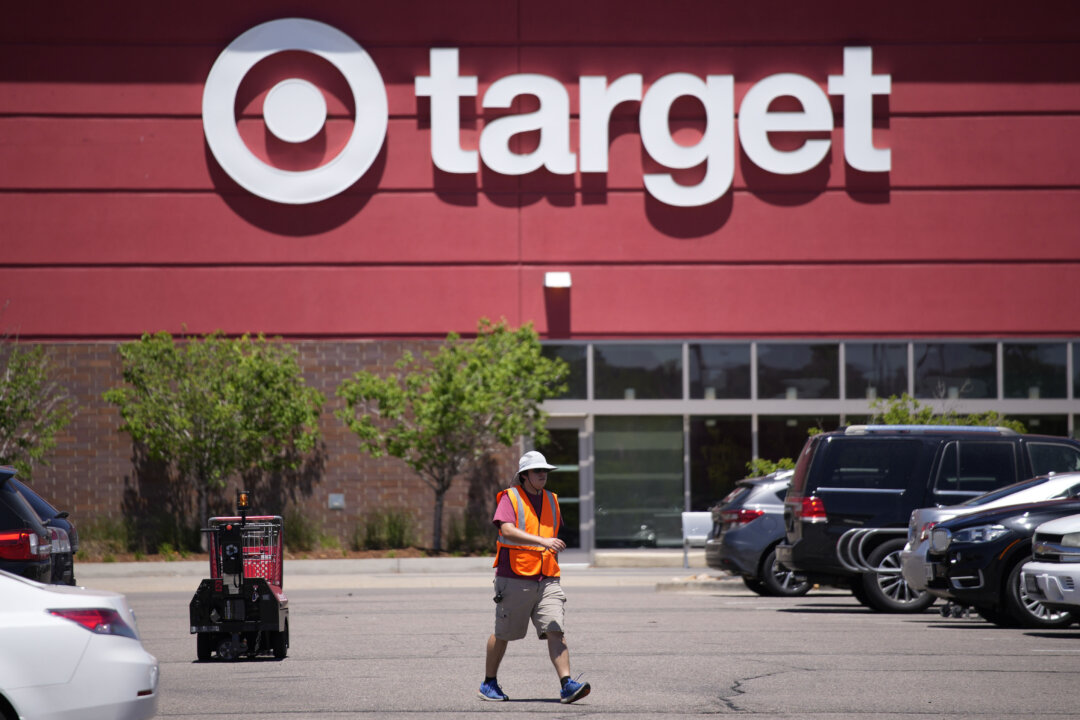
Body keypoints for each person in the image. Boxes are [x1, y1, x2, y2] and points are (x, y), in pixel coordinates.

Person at [477, 450, 591, 704]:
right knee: (504, 633)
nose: (543, 474)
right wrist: (542, 541)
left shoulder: (552, 499)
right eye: (537, 471)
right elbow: (507, 530)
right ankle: (489, 683)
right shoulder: (510, 498)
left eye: (545, 471)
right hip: (515, 576)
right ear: (524, 475)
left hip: (548, 576)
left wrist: (549, 547)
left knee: (555, 628)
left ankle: (567, 685)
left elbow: (553, 531)